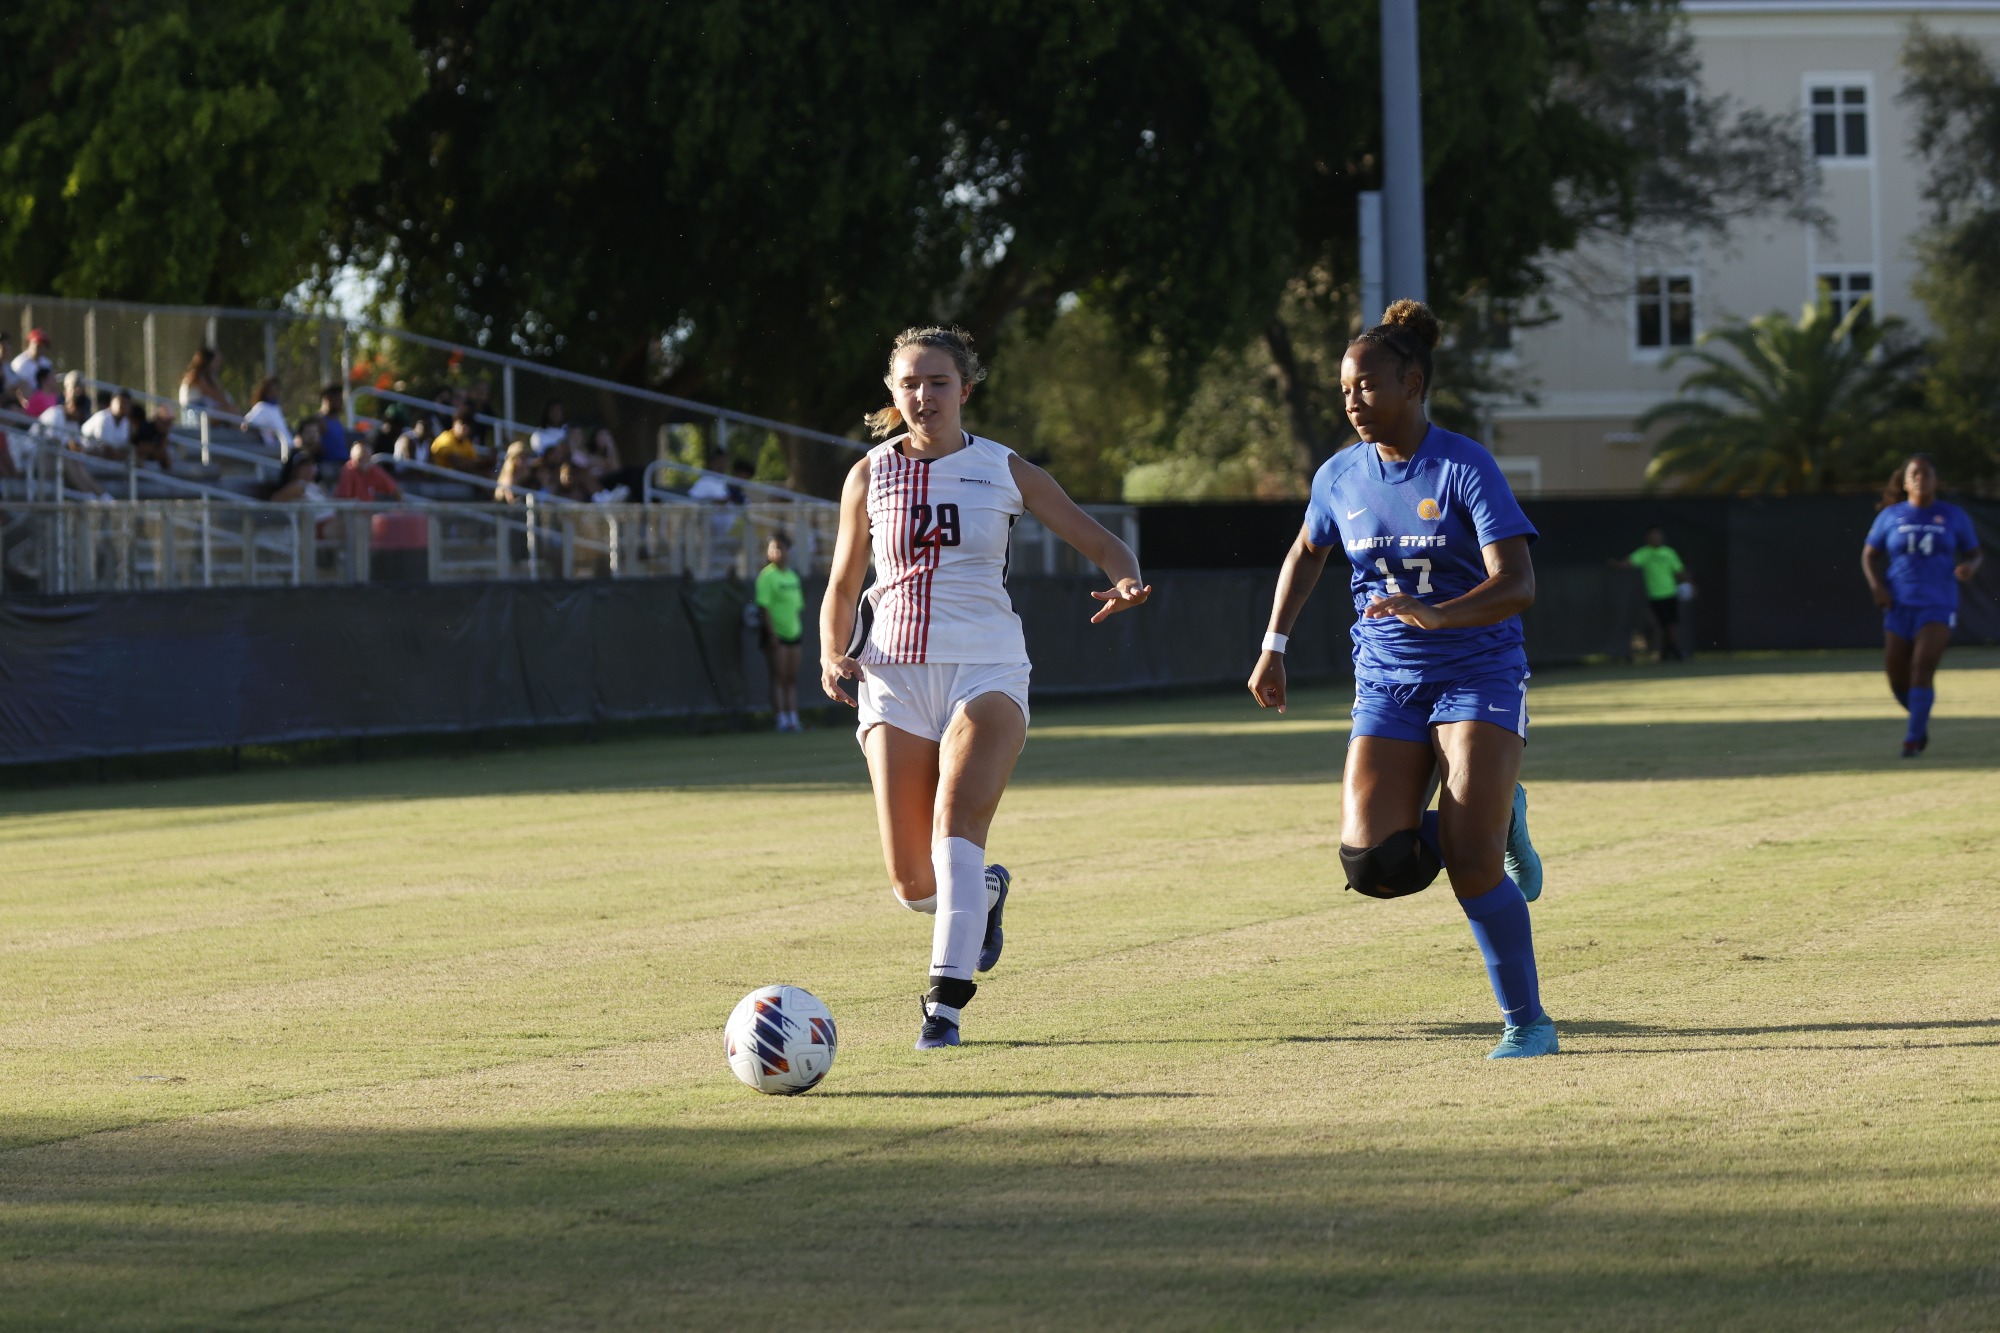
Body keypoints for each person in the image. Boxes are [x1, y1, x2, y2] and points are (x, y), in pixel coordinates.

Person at [820, 325, 1152, 1051]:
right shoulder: (868, 474)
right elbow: (843, 584)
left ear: (965, 389)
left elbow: (1101, 541)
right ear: (893, 393)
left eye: (938, 382)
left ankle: (944, 1007)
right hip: (893, 676)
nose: (924, 396)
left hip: (987, 668)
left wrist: (1125, 578)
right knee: (914, 884)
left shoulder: (1004, 468)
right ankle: (988, 892)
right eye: (910, 383)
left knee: (956, 828)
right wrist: (830, 652)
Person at [1247, 299, 1555, 1060]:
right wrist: (1274, 644)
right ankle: (1496, 812)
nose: (1352, 400)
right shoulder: (1339, 475)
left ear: (1413, 383)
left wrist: (1440, 615)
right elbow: (1306, 551)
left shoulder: (1464, 465)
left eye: (1367, 385)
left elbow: (1517, 584)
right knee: (1373, 864)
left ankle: (1528, 1023)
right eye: (1344, 389)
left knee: (1472, 860)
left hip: (1477, 672)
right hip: (1387, 680)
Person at [1862, 453, 1982, 758]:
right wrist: (1877, 587)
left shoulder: (1952, 515)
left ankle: (1912, 740)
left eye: (1926, 474)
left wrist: (1969, 567)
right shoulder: (1891, 516)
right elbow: (1869, 555)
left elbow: (1974, 553)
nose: (1920, 479)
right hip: (1899, 604)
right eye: (1914, 474)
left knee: (1921, 668)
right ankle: (1919, 719)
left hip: (1937, 603)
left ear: (1935, 480)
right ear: (1904, 482)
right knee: (1896, 677)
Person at [1616, 525, 1692, 661]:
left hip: (1670, 593)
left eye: (1658, 535)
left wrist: (1689, 583)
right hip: (1655, 596)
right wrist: (1616, 564)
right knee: (1660, 625)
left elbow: (1679, 570)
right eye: (1653, 535)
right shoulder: (1644, 553)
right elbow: (1628, 562)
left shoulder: (1669, 553)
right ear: (1648, 538)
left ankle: (1672, 650)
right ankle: (1663, 651)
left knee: (1671, 623)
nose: (1656, 538)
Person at [756, 533, 806, 732]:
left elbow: (797, 607)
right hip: (777, 636)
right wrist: (772, 635)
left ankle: (793, 718)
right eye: (773, 548)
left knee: (791, 678)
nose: (778, 552)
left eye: (781, 548)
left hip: (794, 635)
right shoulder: (766, 576)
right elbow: (764, 607)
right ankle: (781, 720)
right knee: (779, 677)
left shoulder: (793, 576)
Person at [178, 347, 239, 421]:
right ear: (208, 361)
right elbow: (212, 394)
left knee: (231, 411)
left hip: (199, 410)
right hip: (193, 413)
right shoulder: (196, 376)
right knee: (231, 411)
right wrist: (228, 405)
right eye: (215, 361)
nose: (218, 364)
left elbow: (218, 393)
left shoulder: (207, 376)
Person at [335, 440, 403, 502]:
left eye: (366, 455)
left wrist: (400, 507)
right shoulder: (348, 470)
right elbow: (344, 501)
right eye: (361, 457)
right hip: (353, 510)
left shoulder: (373, 469)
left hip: (370, 510)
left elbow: (395, 488)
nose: (364, 456)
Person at [243, 377, 293, 455]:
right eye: (272, 389)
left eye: (277, 389)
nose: (275, 392)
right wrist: (266, 433)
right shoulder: (261, 407)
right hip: (277, 451)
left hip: (289, 448)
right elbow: (247, 424)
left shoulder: (276, 408)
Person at [428, 406, 483, 472]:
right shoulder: (445, 439)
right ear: (454, 422)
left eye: (467, 424)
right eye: (461, 423)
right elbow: (458, 464)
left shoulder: (467, 443)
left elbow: (475, 463)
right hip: (437, 475)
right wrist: (481, 462)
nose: (464, 427)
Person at [81, 388, 134, 453]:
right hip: (84, 455)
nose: (123, 406)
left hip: (105, 457)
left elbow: (123, 448)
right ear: (111, 402)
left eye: (126, 403)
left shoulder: (126, 422)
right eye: (120, 402)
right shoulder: (103, 418)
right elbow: (103, 448)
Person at [317, 385, 349, 460]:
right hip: (329, 463)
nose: (340, 403)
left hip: (343, 461)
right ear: (326, 400)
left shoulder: (336, 419)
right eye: (337, 400)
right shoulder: (319, 421)